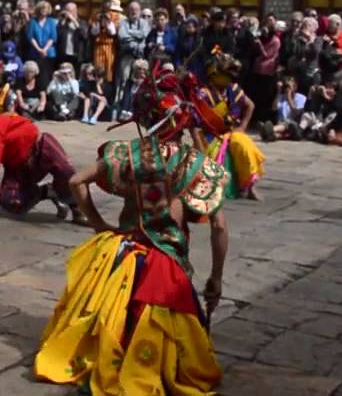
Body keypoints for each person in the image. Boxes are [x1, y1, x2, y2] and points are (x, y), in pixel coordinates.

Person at [35, 70, 227, 394]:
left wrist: (99, 226)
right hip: (166, 262)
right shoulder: (198, 166)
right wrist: (216, 278)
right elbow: (219, 227)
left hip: (122, 255)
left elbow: (74, 181)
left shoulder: (126, 153)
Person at [198, 52, 267, 200]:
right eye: (225, 75)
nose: (228, 79)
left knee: (244, 143)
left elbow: (250, 105)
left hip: (232, 132)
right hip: (212, 136)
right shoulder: (204, 94)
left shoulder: (234, 90)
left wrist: (242, 126)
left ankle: (250, 187)